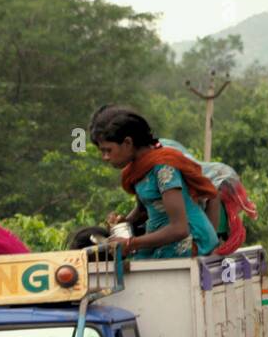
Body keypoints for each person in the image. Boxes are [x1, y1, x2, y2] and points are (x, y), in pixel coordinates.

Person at [87, 106, 219, 259]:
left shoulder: (163, 167)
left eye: (108, 150)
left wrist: (131, 243)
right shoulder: (138, 168)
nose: (105, 157)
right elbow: (144, 208)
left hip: (189, 239)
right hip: (160, 237)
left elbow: (179, 228)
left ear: (128, 143)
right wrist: (123, 222)